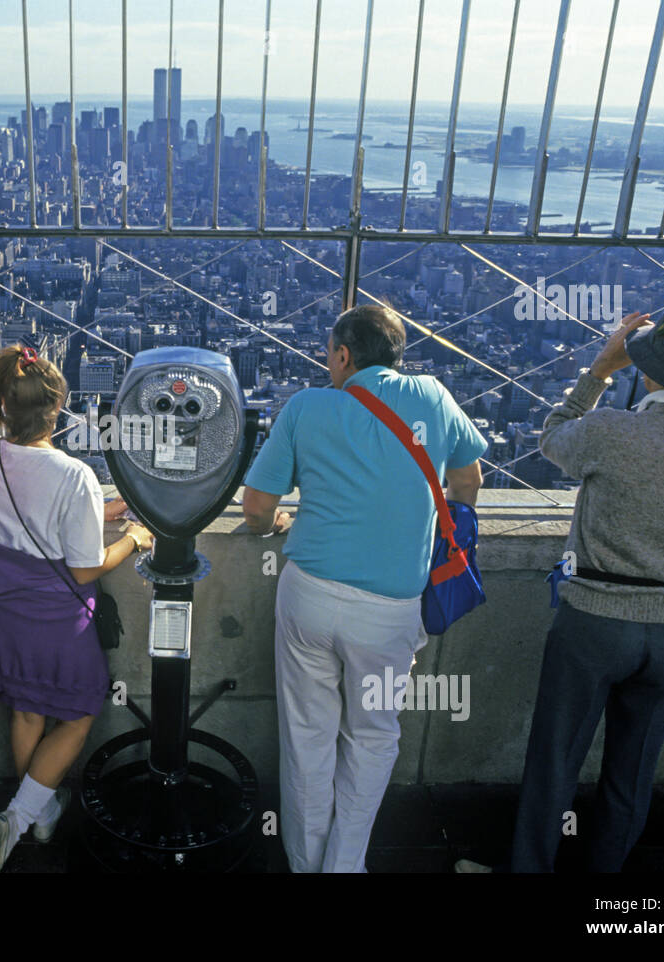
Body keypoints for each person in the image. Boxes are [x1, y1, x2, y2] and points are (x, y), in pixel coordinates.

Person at [460, 296, 664, 873]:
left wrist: (600, 370)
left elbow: (552, 437)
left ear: (647, 365)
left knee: (555, 761)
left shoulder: (608, 431)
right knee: (633, 775)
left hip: (594, 623)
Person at [242, 302, 487, 873]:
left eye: (330, 355)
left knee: (308, 737)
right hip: (391, 610)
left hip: (310, 595)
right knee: (373, 738)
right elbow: (468, 480)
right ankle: (344, 866)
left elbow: (256, 509)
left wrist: (278, 523)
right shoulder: (432, 397)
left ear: (344, 355)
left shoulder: (308, 407)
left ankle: (304, 862)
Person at [0, 345, 152, 873]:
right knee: (78, 712)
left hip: (5, 613)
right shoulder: (74, 475)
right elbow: (83, 567)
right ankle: (17, 816)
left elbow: (29, 509)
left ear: (2, 403)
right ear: (58, 408)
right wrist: (135, 539)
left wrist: (99, 509)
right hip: (59, 622)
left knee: (27, 710)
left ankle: (40, 812)